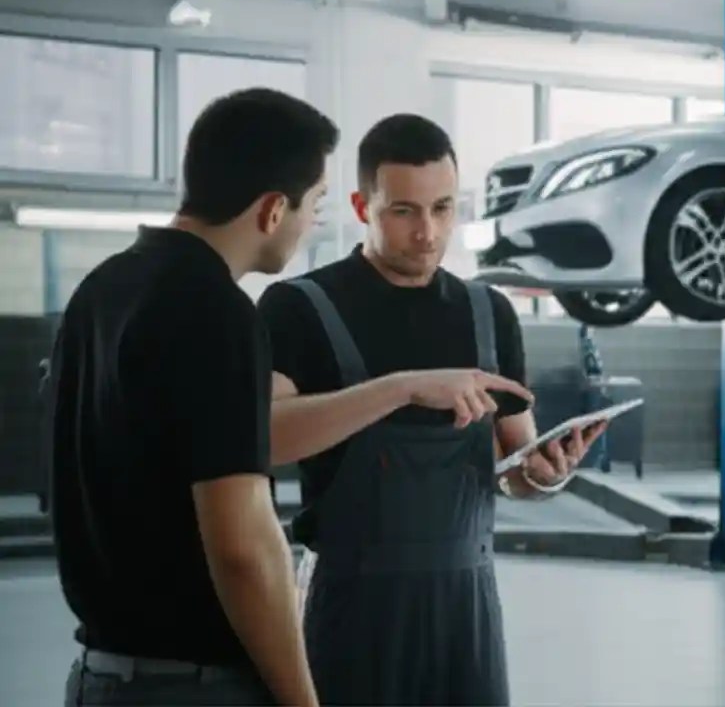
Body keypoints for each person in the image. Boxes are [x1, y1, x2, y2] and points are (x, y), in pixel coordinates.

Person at [256, 113, 607, 706]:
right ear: (362, 206)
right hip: (350, 610)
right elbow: (262, 440)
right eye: (404, 212)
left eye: (443, 209)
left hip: (466, 612)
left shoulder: (488, 312)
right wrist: (400, 388)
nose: (427, 232)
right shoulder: (297, 308)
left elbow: (515, 466)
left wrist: (546, 475)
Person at [46, 88, 337, 706]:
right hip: (190, 689)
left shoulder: (101, 291)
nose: (314, 223)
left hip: (100, 678)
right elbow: (241, 547)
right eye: (315, 204)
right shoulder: (216, 311)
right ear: (272, 210)